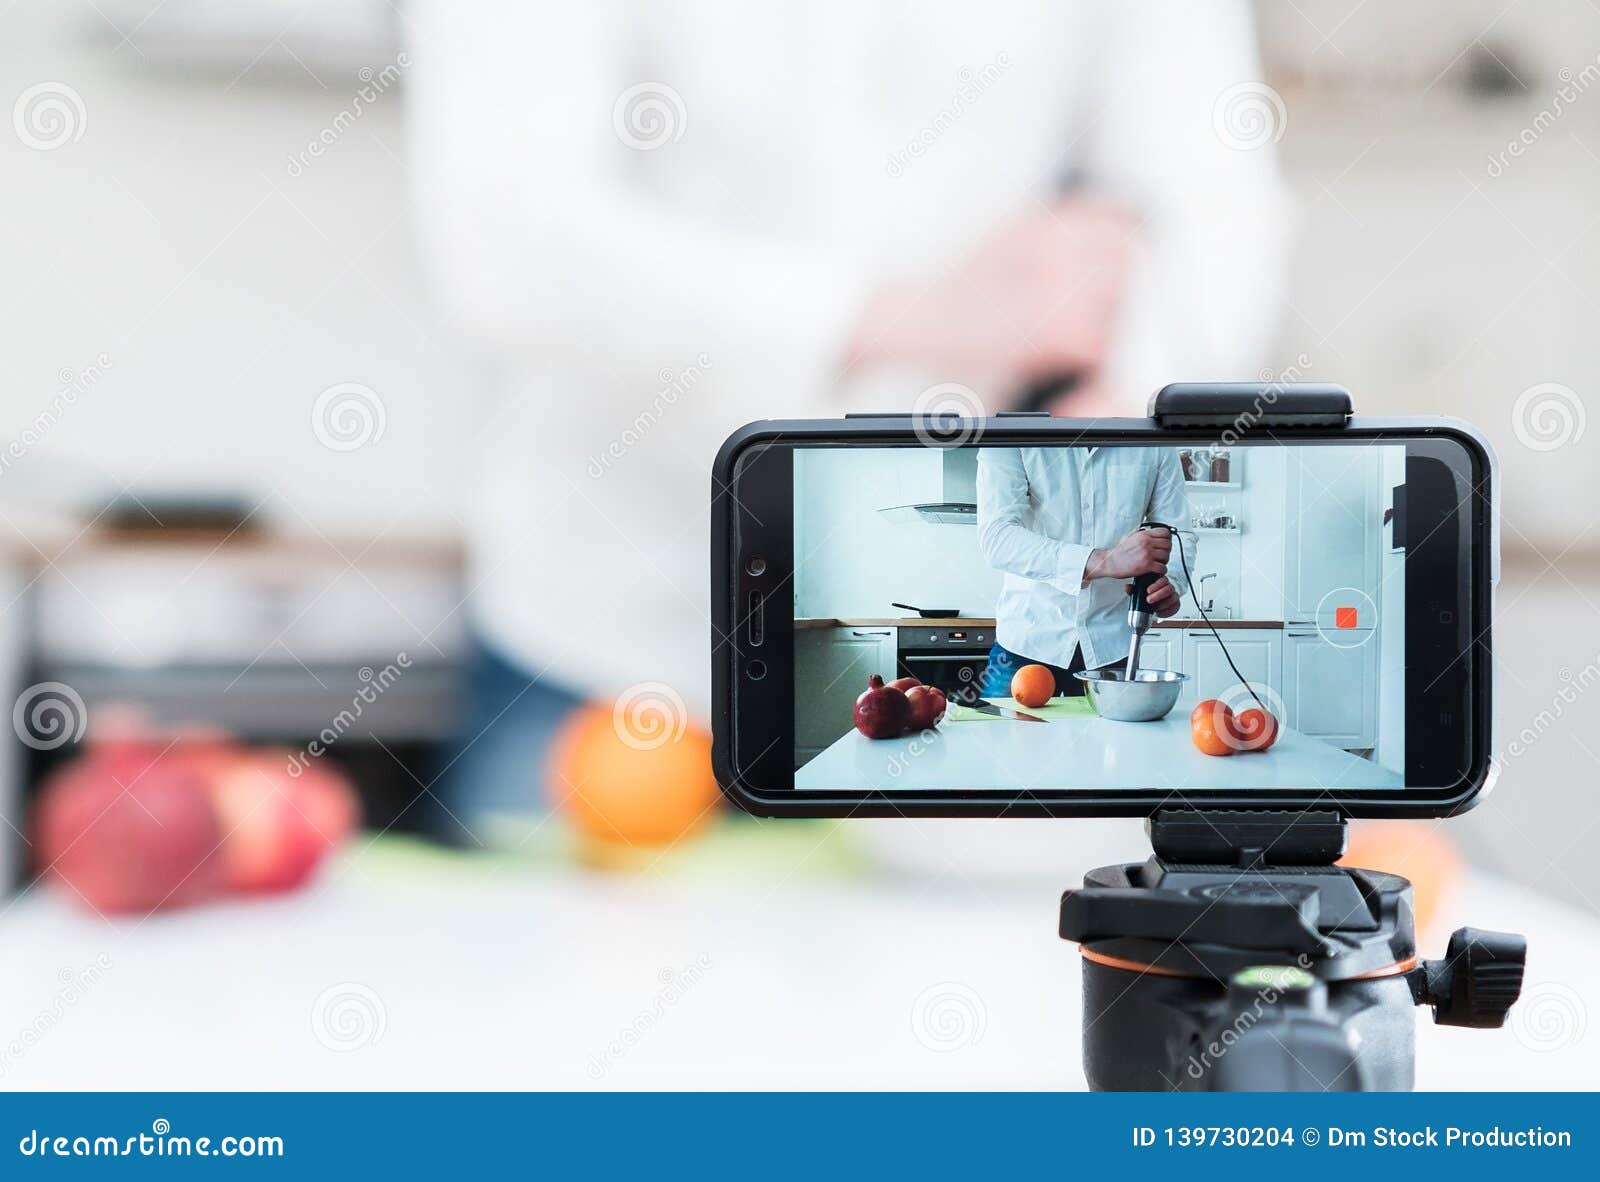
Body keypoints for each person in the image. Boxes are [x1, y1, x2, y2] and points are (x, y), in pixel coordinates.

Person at [404, 2, 1290, 828]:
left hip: (966, 655)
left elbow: (1210, 200)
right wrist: (906, 313)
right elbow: (502, 238)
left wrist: (1127, 414)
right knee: (554, 980)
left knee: (974, 976)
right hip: (610, 641)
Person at [976, 447, 1191, 696]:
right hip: (1024, 649)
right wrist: (1104, 561)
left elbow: (1178, 532)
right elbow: (998, 537)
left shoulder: (1152, 442)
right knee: (1007, 735)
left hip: (1112, 652)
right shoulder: (1013, 429)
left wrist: (1172, 581)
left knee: (1118, 737)